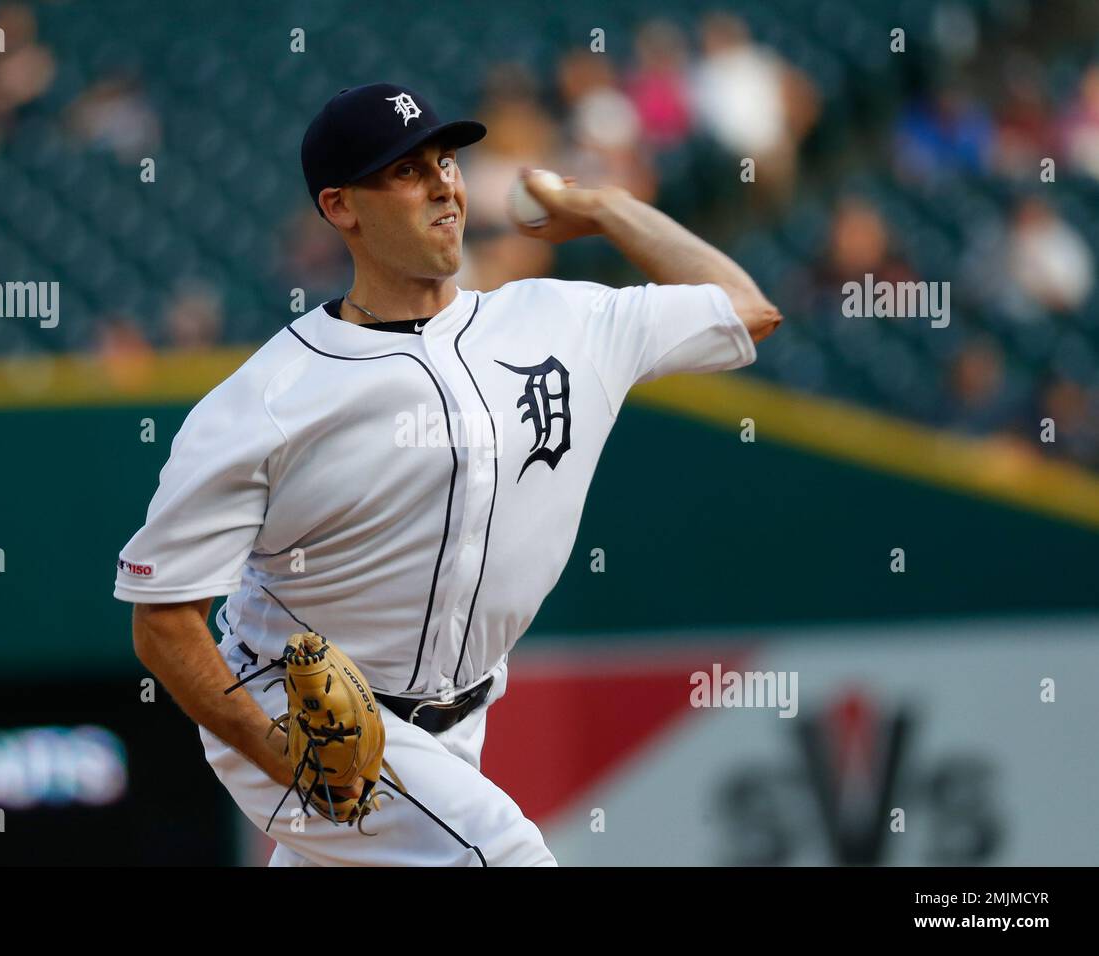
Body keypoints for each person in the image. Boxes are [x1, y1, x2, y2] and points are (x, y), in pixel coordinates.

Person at [114, 83, 781, 866]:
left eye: (447, 159)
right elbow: (162, 620)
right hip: (298, 715)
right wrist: (276, 752)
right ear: (340, 207)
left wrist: (603, 209)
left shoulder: (558, 321)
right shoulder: (268, 399)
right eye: (404, 170)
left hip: (459, 725)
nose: (443, 183)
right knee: (503, 857)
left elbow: (746, 310)